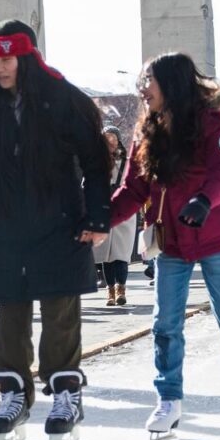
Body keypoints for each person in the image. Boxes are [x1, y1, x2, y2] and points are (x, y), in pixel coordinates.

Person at [110, 53, 220, 440]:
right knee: (165, 324)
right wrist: (100, 219)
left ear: (170, 83)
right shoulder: (147, 129)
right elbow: (133, 188)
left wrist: (204, 200)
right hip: (170, 242)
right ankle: (168, 399)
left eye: (148, 81)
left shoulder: (210, 119)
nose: (142, 89)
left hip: (216, 236)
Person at [0, 20, 111, 440]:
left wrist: (97, 217)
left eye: (8, 60)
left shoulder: (61, 97)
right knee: (11, 311)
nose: (0, 69)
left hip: (59, 221)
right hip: (6, 226)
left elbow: (96, 160)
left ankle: (65, 394)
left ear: (26, 58)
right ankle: (13, 394)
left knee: (60, 309)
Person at [95, 125, 136, 306]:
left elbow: (135, 185)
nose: (109, 141)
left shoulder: (127, 163)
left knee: (121, 254)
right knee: (106, 255)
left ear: (118, 140)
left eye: (112, 137)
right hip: (103, 209)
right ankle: (110, 290)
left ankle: (121, 289)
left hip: (124, 210)